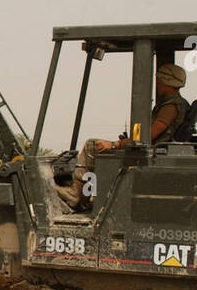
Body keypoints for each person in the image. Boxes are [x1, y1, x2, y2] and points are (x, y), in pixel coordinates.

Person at [56, 63, 190, 209]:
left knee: (92, 146)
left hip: (148, 152)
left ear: (166, 82)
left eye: (159, 80)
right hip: (153, 149)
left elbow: (151, 134)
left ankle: (76, 195)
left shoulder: (171, 106)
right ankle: (84, 198)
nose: (157, 84)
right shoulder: (175, 104)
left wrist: (115, 144)